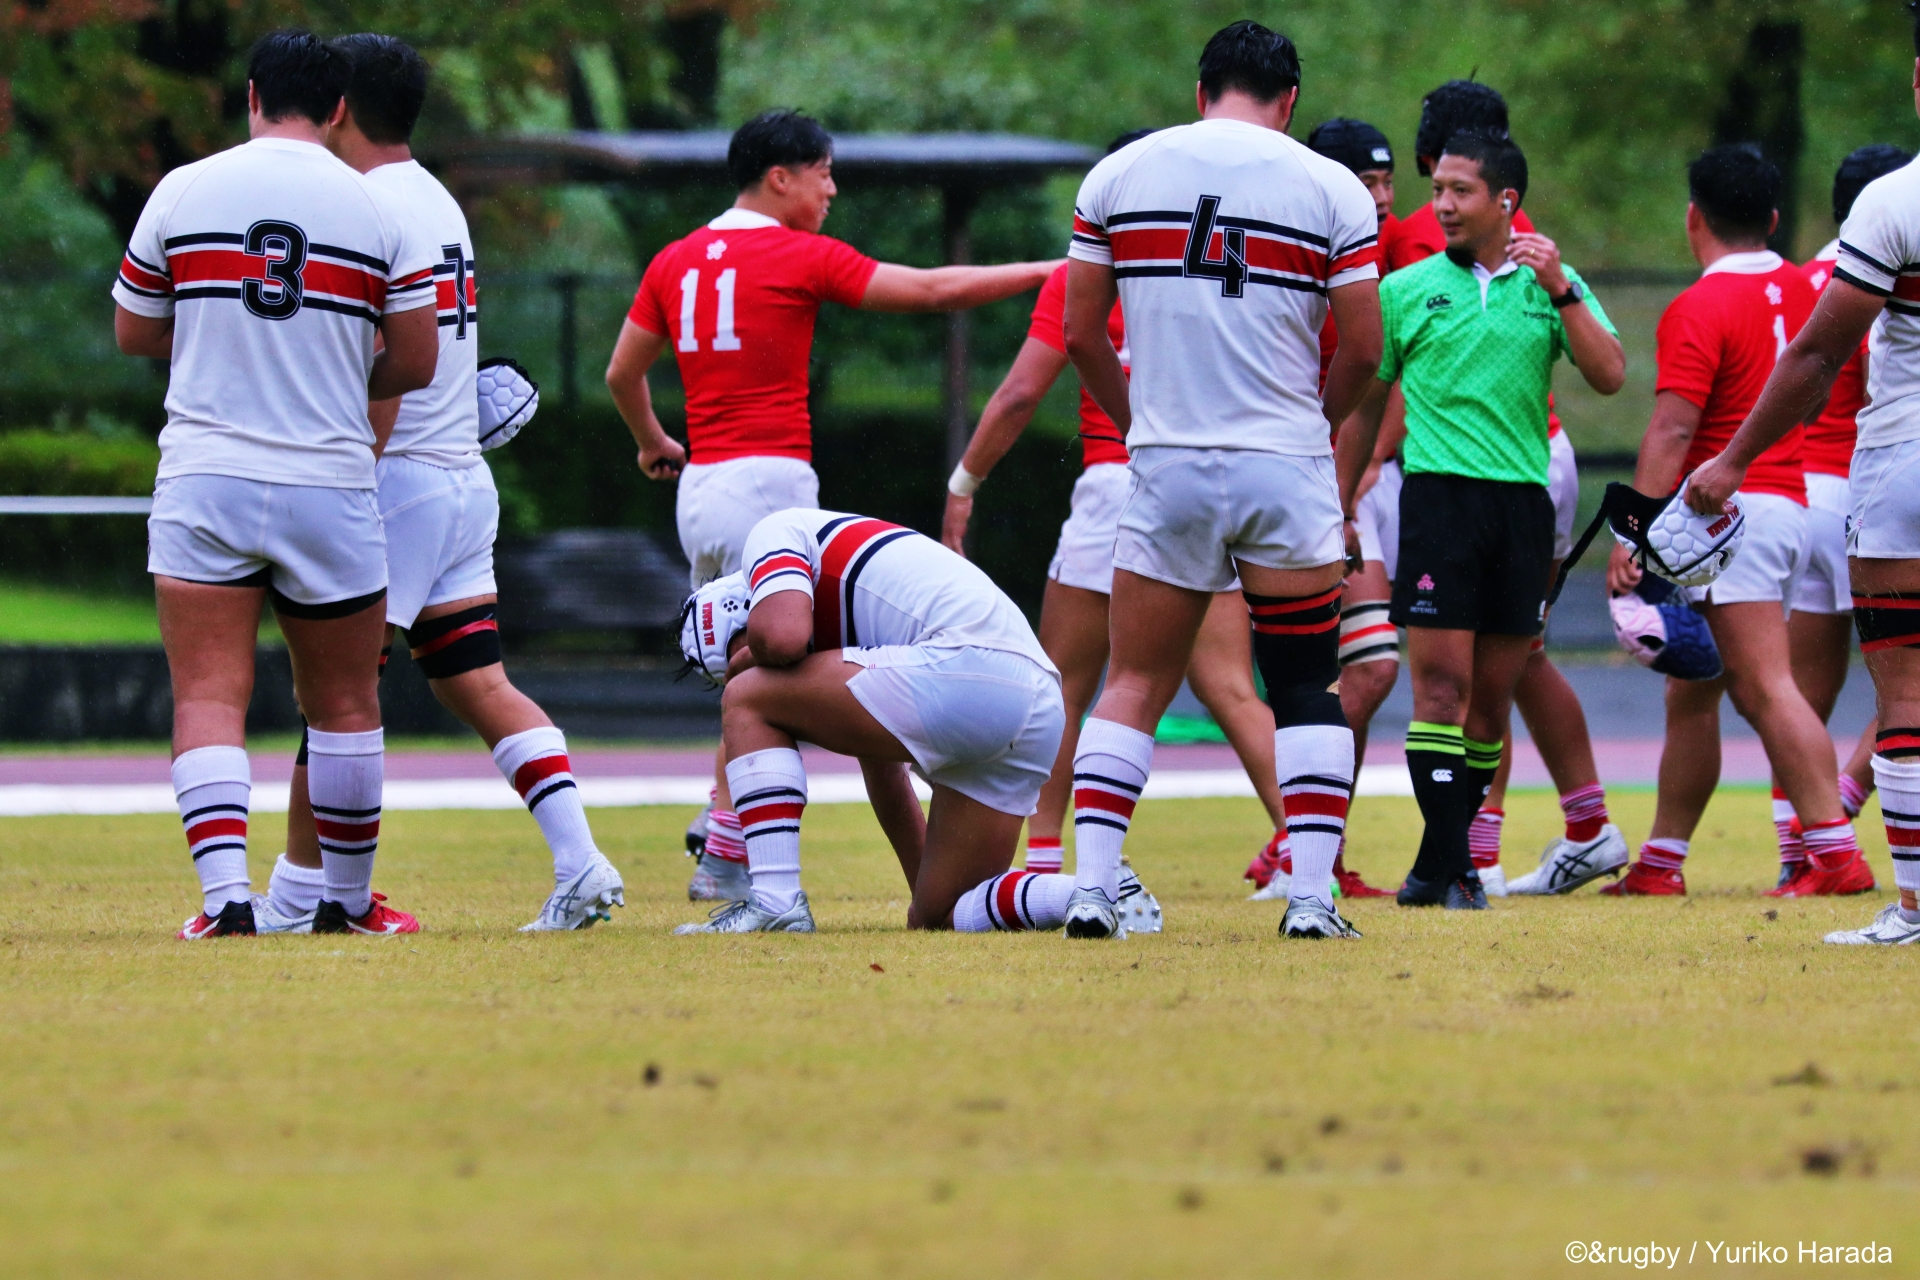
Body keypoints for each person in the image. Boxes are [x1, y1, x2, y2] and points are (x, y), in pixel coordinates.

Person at [604, 109, 1059, 906]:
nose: (832, 189)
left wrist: (652, 440)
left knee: (734, 665)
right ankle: (734, 853)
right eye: (823, 172)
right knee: (786, 662)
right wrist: (1043, 273)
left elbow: (620, 372)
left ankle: (723, 834)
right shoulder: (795, 252)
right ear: (779, 177)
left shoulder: (674, 259)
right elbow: (927, 290)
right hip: (770, 484)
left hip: (701, 485)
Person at [944, 132, 1384, 902]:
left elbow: (1027, 386)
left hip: (1141, 476)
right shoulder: (1249, 241)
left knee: (1081, 686)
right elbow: (1359, 349)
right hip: (1262, 467)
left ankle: (1061, 868)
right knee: (1256, 687)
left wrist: (965, 481)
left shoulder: (1107, 243)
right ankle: (1312, 868)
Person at [255, 35, 625, 935]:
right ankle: (583, 864)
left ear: (338, 107)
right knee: (476, 680)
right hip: (461, 479)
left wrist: (348, 473)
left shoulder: (364, 204)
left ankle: (311, 896)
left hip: (398, 482)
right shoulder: (438, 199)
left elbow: (387, 361)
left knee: (335, 696)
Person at [1059, 20, 1384, 941]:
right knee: (1304, 682)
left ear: (1202, 91)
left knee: (1131, 681)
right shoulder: (1329, 187)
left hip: (1168, 462)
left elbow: (1085, 334)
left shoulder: (1117, 178)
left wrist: (1140, 431)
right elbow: (1364, 344)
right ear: (1289, 103)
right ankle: (1313, 900)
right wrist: (1314, 427)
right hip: (1283, 463)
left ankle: (1093, 887)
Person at [111, 29, 440, 937]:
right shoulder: (377, 209)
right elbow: (415, 358)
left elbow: (135, 332)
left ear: (251, 96)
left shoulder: (184, 188)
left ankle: (225, 904)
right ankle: (343, 902)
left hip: (208, 476)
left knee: (208, 697)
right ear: (339, 110)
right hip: (329, 480)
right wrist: (330, 371)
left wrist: (226, 344)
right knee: (342, 701)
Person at [1687, 12, 1920, 940]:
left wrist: (1733, 458)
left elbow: (1819, 355)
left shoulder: (1893, 201)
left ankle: (1911, 908)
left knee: (1903, 698)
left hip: (1902, 469)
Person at [1351, 129, 1626, 907]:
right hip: (1438, 502)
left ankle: (1439, 866)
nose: (1440, 205)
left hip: (1521, 510)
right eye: (1436, 189)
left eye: (1458, 191)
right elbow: (1365, 408)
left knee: (1491, 702)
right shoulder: (1405, 291)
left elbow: (1609, 376)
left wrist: (1564, 291)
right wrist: (1339, 500)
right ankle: (1455, 866)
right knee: (1439, 692)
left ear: (1505, 202)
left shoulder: (1553, 284)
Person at [1605, 145, 1871, 897]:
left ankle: (1836, 855)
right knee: (1695, 690)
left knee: (1763, 686)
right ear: (1776, 218)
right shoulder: (1807, 285)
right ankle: (1662, 862)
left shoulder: (1701, 304)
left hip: (1723, 514)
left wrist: (1635, 534)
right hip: (1785, 501)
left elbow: (1670, 431)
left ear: (1694, 217)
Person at [671, 509, 1067, 934]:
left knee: (746, 698)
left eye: (742, 643)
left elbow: (781, 636)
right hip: (1037, 701)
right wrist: (925, 898)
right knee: (943, 914)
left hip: (968, 666)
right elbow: (886, 777)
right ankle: (1089, 895)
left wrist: (743, 674)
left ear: (745, 601)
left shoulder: (772, 532)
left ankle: (774, 902)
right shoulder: (858, 630)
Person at [1246, 115, 1405, 900]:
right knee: (1351, 668)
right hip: (1303, 475)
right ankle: (1298, 848)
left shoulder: (1398, 241)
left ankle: (1305, 848)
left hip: (1348, 473)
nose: (1381, 199)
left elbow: (1388, 373)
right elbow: (1369, 364)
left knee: (1364, 667)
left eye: (1387, 183)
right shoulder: (1306, 228)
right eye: (1366, 183)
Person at [1769, 145, 1912, 883]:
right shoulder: (1887, 253)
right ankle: (1848, 796)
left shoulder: (1800, 279)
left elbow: (1807, 365)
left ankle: (1800, 849)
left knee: (1798, 690)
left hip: (1805, 493)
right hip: (1868, 484)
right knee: (1907, 674)